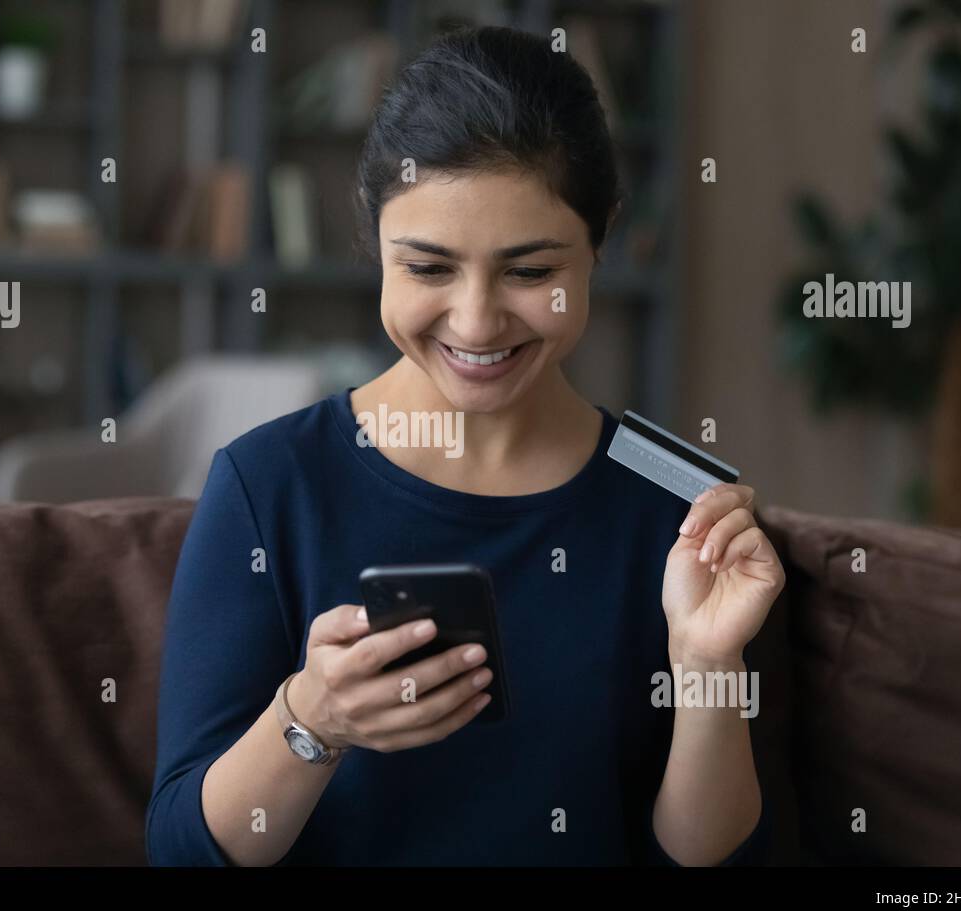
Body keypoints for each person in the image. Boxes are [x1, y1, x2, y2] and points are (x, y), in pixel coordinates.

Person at [146, 24, 785, 866]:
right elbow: (182, 854)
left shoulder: (682, 496)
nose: (477, 323)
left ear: (601, 242)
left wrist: (708, 662)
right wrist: (310, 721)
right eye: (428, 268)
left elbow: (717, 860)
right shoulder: (270, 485)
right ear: (374, 241)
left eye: (530, 273)